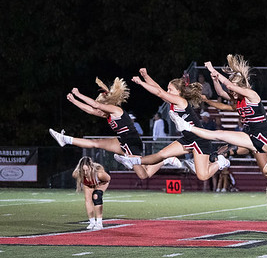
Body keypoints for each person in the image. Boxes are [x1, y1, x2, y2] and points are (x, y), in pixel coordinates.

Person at [167, 56, 267, 177]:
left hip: (262, 133)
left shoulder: (251, 95)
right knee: (221, 135)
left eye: (233, 90)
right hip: (250, 133)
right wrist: (215, 79)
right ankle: (187, 127)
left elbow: (230, 85)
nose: (231, 93)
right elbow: (221, 92)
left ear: (240, 87)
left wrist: (213, 70)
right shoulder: (237, 100)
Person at [49, 78, 177, 180]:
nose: (98, 110)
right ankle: (65, 139)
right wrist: (73, 101)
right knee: (95, 143)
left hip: (131, 142)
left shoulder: (116, 110)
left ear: (106, 104)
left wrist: (78, 94)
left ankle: (165, 160)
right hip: (123, 140)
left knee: (144, 175)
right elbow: (90, 110)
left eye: (100, 106)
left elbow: (94, 105)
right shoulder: (107, 114)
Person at [116, 69, 229, 181]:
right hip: (188, 139)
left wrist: (141, 82)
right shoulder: (173, 101)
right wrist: (145, 76)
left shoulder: (181, 101)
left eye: (170, 90)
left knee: (202, 176)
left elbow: (159, 92)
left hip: (199, 140)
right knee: (162, 154)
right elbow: (159, 90)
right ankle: (134, 160)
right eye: (168, 89)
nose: (168, 92)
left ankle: (221, 162)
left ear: (179, 92)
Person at [72, 156, 110, 231]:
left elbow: (108, 179)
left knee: (96, 196)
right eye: (83, 170)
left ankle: (99, 223)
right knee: (88, 200)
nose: (85, 173)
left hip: (101, 183)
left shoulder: (99, 173)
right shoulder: (77, 174)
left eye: (87, 170)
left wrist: (99, 187)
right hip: (88, 185)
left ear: (91, 167)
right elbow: (79, 177)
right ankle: (92, 222)